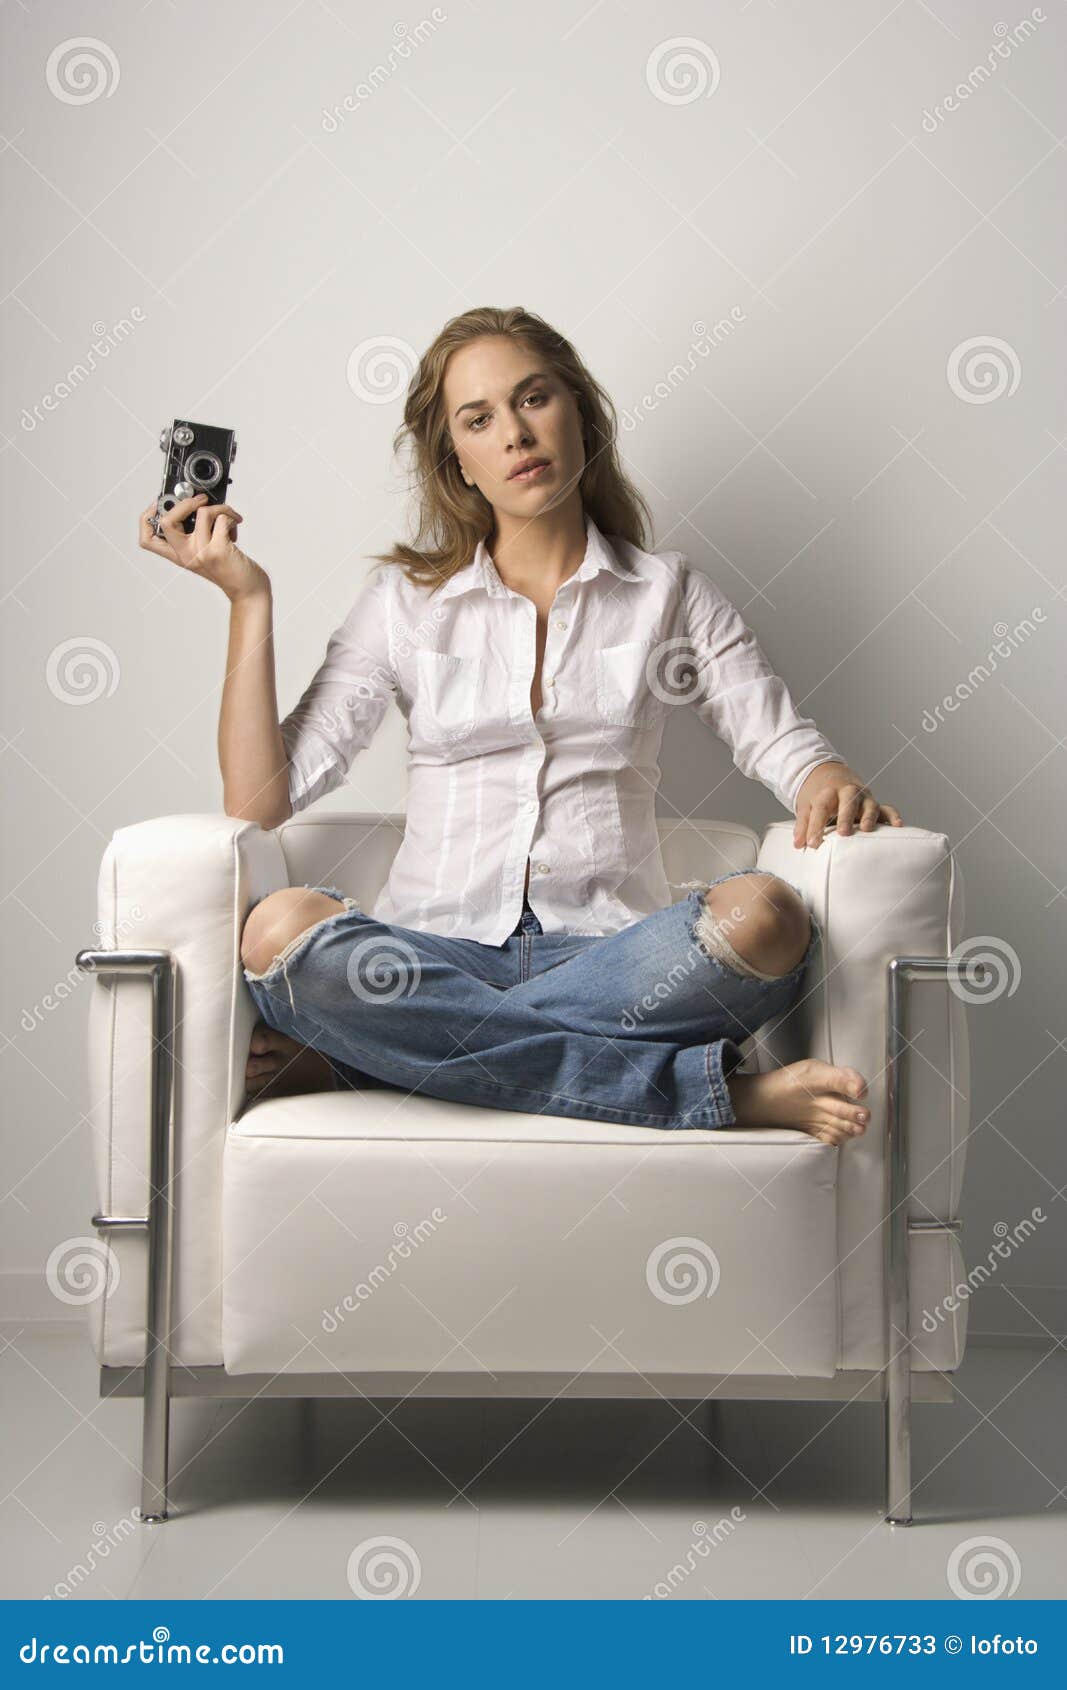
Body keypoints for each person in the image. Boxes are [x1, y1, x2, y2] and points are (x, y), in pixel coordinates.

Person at [139, 307, 902, 1144]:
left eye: (533, 399)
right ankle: (704, 1093)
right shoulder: (404, 605)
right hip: (429, 956)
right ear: (457, 462)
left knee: (766, 916)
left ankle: (375, 1058)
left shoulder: (668, 592)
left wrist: (822, 775)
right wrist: (248, 600)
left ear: (578, 413)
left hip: (616, 962)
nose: (514, 433)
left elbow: (776, 736)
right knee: (280, 930)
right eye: (478, 419)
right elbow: (258, 801)